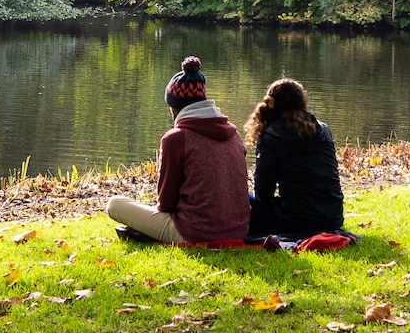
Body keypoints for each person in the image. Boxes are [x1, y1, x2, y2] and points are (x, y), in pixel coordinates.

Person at [106, 56, 250, 246]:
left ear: (174, 108)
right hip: (239, 230)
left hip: (195, 232)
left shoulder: (176, 138)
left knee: (114, 205)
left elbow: (165, 203)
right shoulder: (233, 134)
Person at [245, 77, 346, 241]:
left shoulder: (270, 136)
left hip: (292, 222)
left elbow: (263, 193)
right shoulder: (324, 130)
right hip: (332, 218)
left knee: (243, 197)